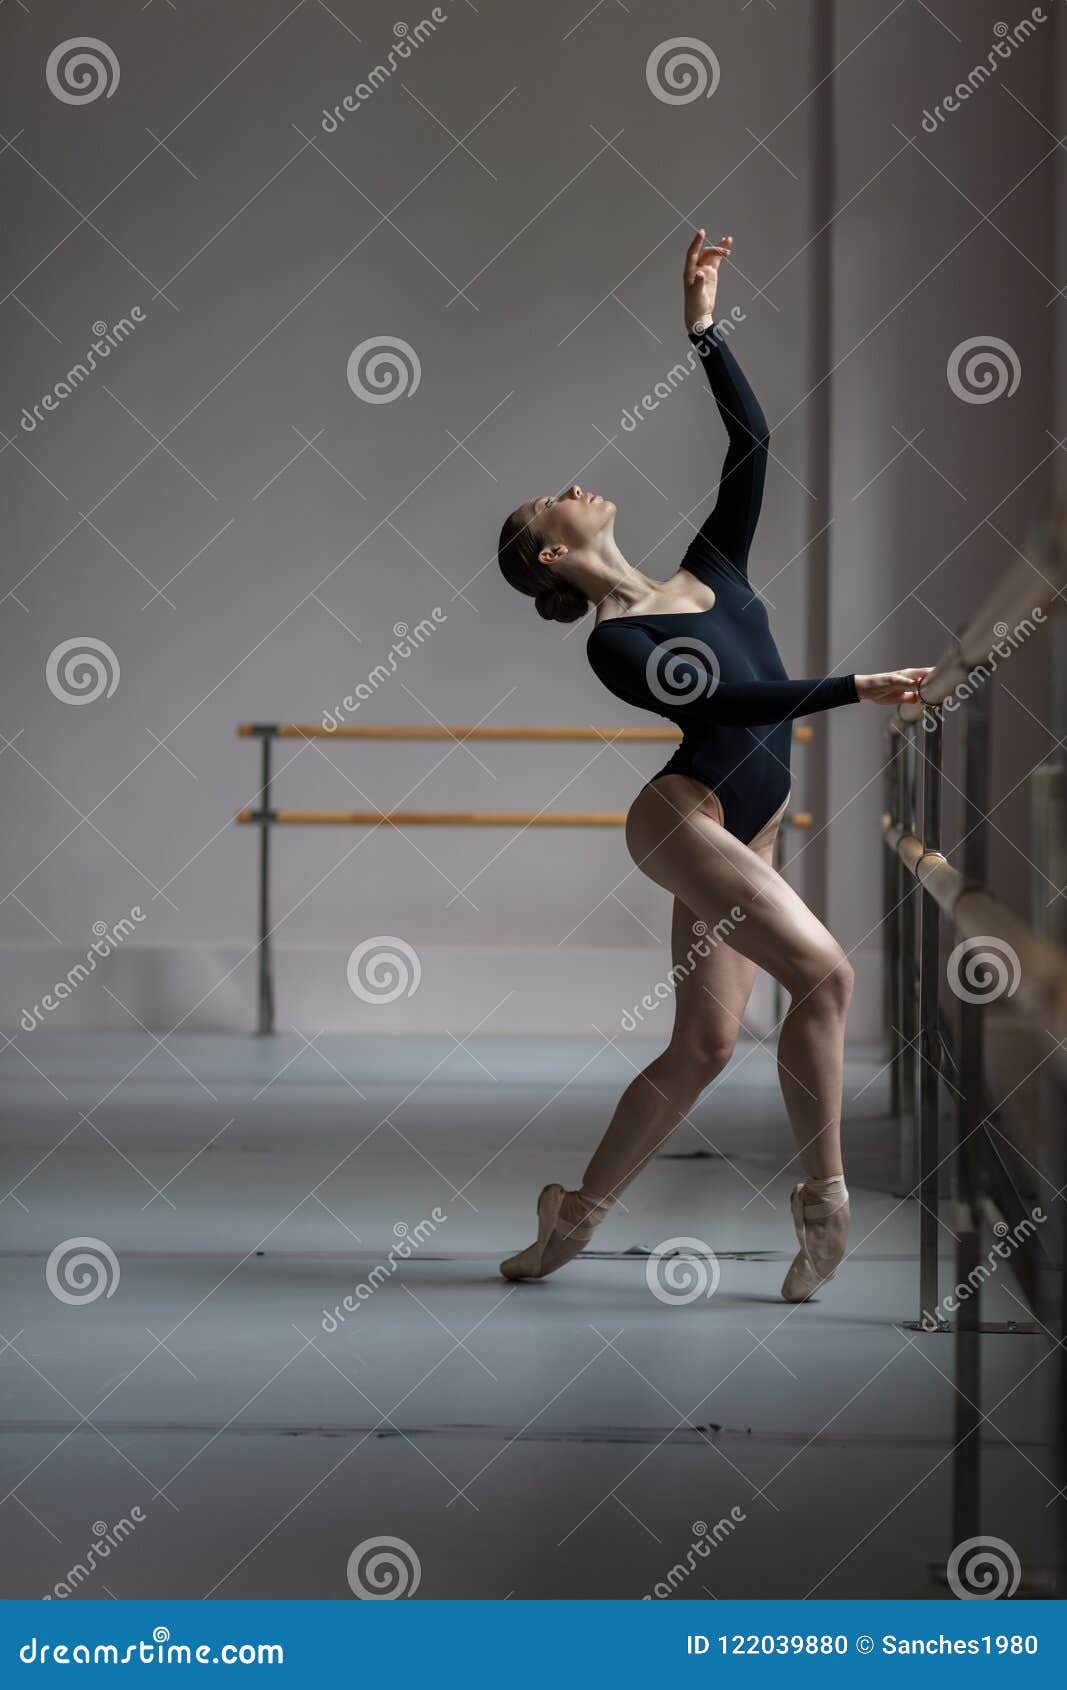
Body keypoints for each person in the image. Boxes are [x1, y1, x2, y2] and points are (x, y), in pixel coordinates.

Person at [496, 230, 930, 1301]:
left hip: (754, 819)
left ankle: (568, 1219)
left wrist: (701, 325)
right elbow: (728, 702)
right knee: (825, 975)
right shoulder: (615, 641)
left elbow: (750, 442)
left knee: (704, 1047)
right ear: (550, 551)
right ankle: (823, 1206)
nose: (574, 484)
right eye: (552, 499)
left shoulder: (712, 568)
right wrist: (852, 687)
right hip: (682, 819)